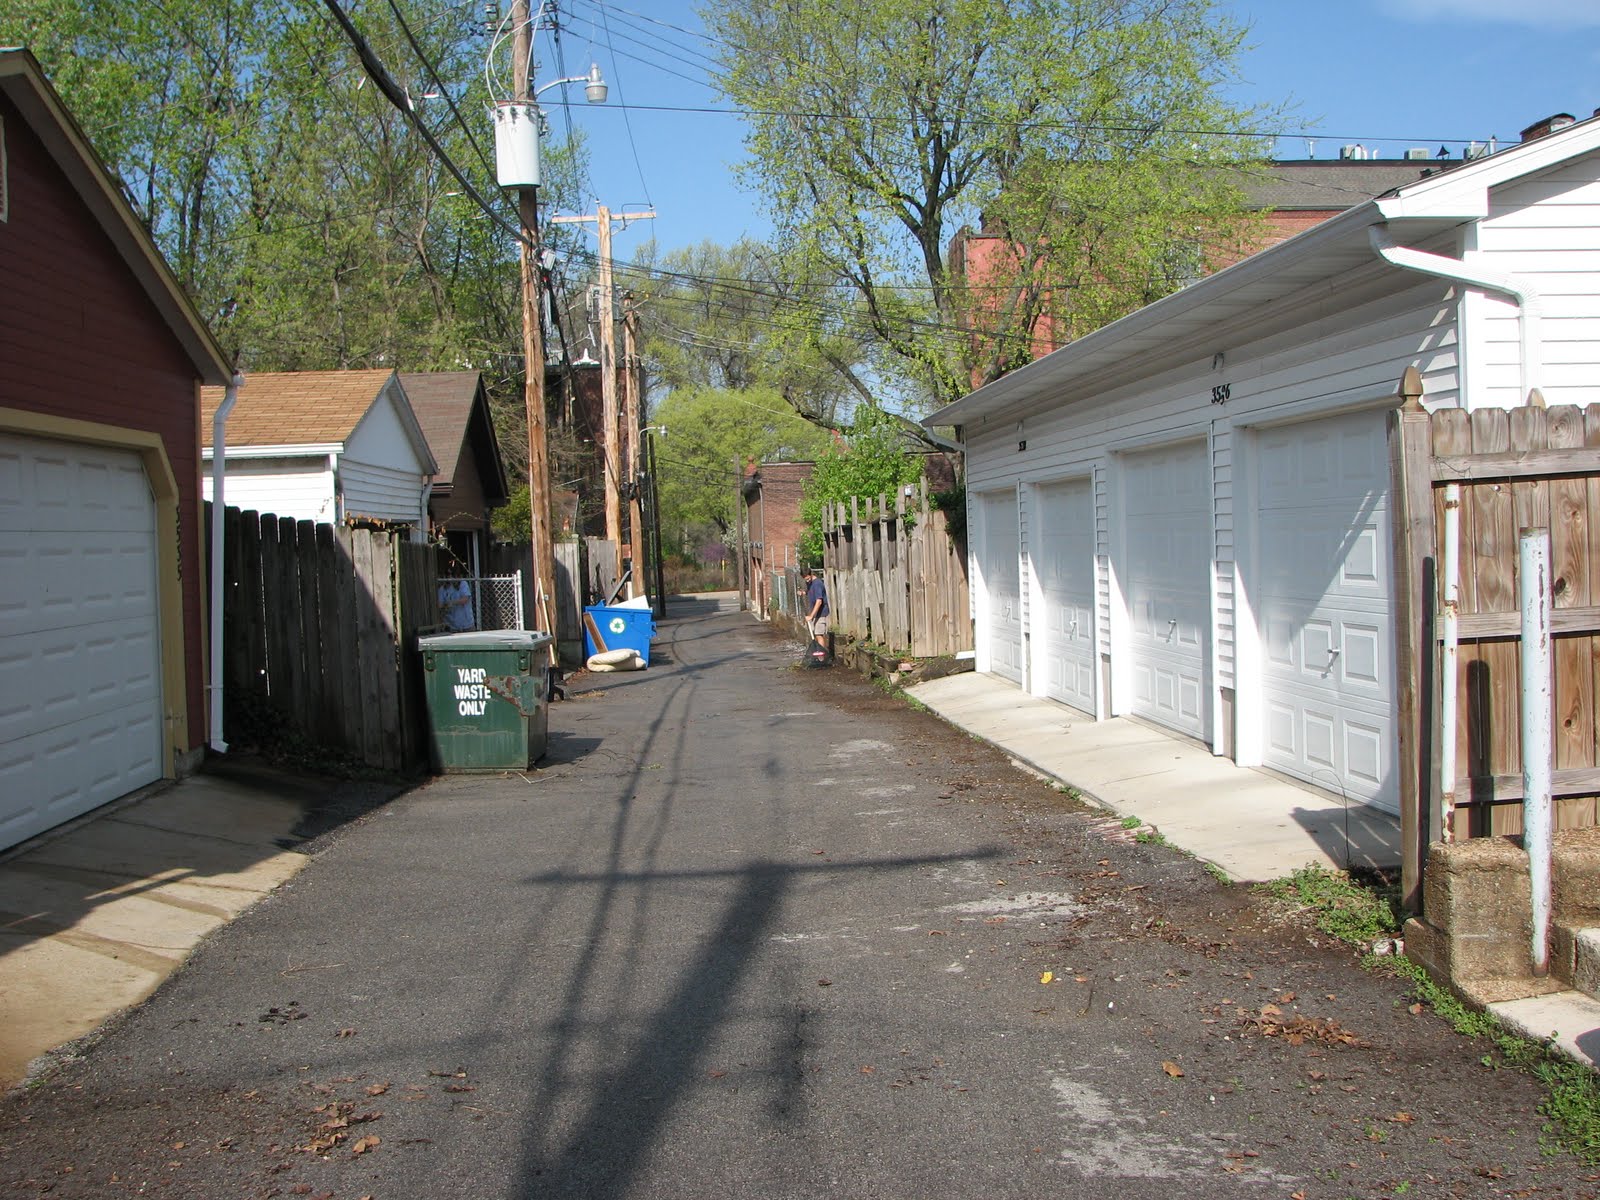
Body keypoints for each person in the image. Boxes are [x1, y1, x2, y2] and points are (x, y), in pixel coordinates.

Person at [802, 566, 829, 662]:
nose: (807, 581)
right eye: (805, 579)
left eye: (808, 579)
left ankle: (822, 659)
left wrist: (811, 616)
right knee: (815, 634)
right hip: (815, 612)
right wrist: (804, 592)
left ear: (811, 575)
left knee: (819, 634)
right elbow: (810, 591)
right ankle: (818, 656)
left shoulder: (817, 584)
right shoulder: (810, 583)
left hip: (820, 613)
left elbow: (819, 601)